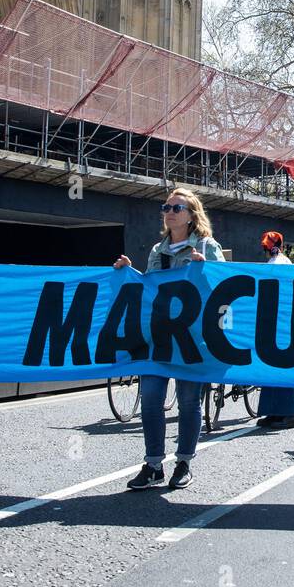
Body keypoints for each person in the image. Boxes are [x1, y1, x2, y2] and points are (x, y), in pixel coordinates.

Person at [115, 188, 224, 490]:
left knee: (189, 402)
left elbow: (222, 291)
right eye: (166, 207)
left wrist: (204, 272)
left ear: (191, 215)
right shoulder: (156, 250)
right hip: (159, 337)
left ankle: (184, 462)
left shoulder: (207, 245)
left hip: (193, 339)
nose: (170, 212)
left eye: (177, 207)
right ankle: (153, 465)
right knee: (150, 399)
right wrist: (128, 273)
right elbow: (150, 289)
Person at [255, 231, 294, 431]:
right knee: (271, 366)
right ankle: (274, 411)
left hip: (280, 321)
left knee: (280, 365)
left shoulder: (278, 263)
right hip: (275, 320)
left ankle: (289, 414)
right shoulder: (279, 261)